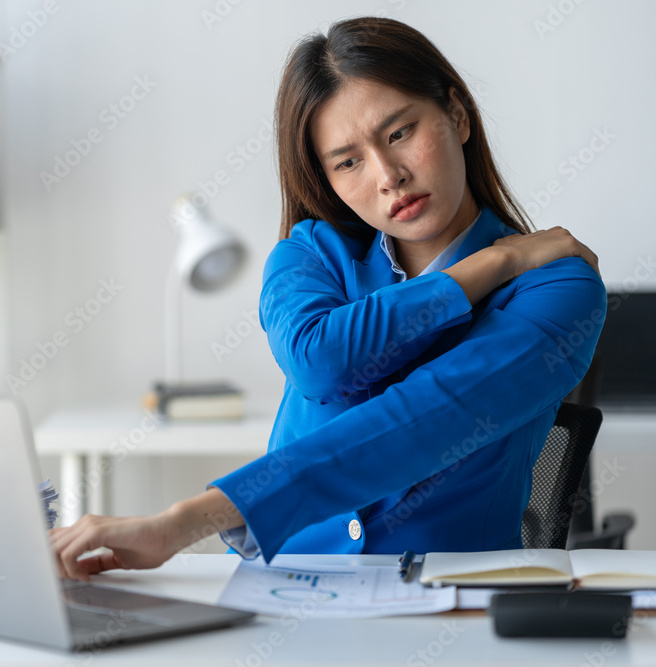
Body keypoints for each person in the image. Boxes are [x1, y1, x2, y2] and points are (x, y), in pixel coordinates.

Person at [49, 16, 606, 582]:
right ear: (326, 179)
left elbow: (423, 420)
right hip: (276, 591)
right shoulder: (310, 255)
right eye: (348, 161)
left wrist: (180, 523)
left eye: (400, 133)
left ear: (457, 115)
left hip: (446, 603)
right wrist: (492, 263)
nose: (389, 175)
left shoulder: (559, 290)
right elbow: (320, 361)